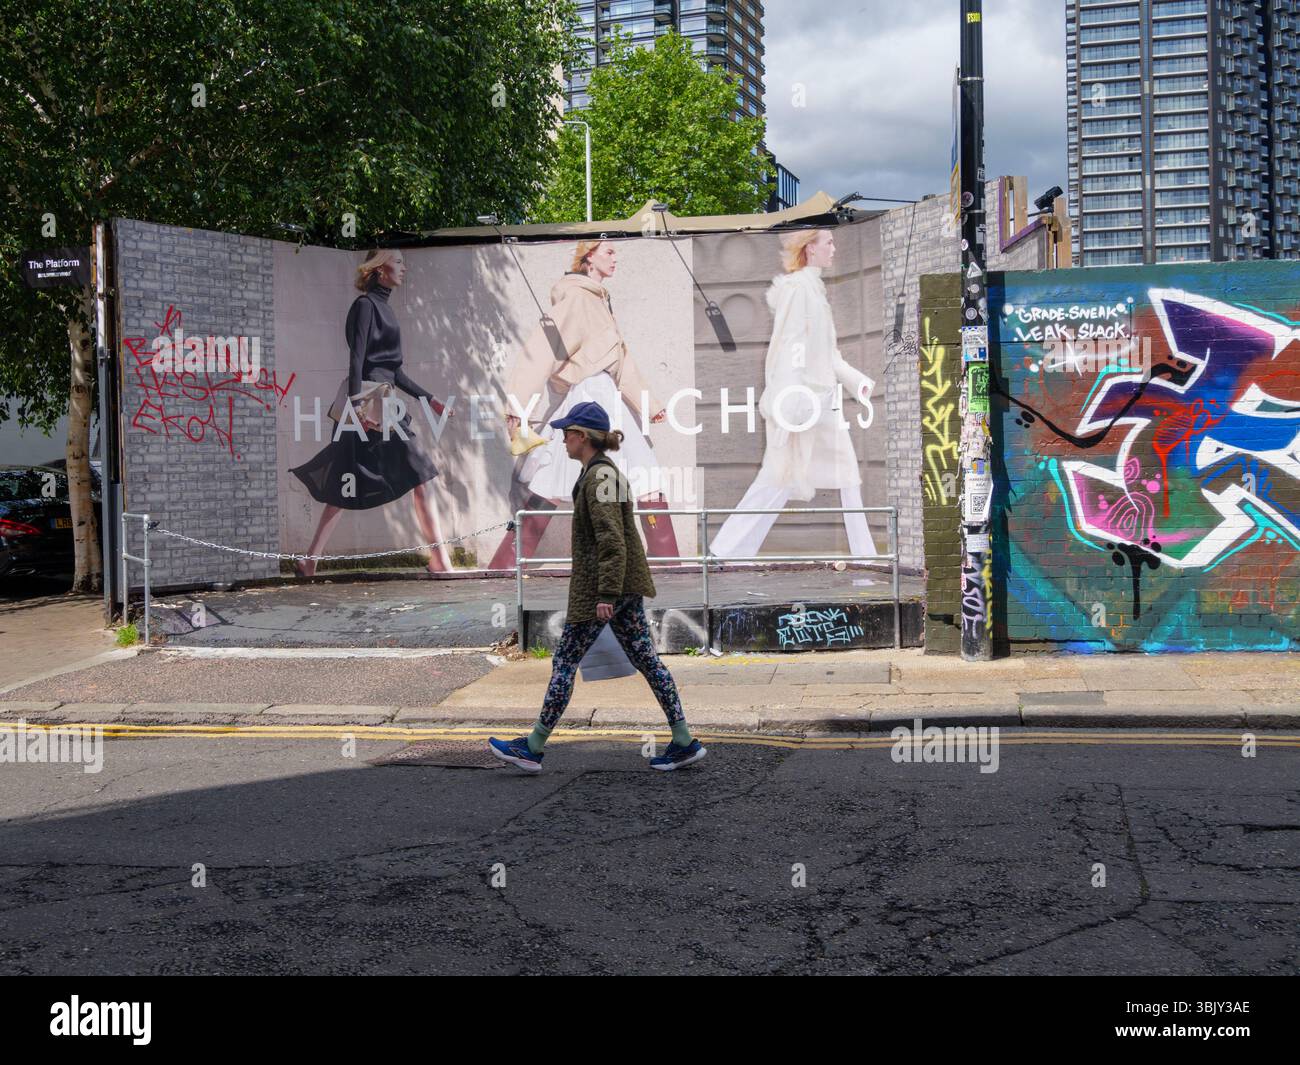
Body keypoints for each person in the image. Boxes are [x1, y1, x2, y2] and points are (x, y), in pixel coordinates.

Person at [489, 401, 706, 773]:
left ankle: (533, 747)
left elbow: (612, 540)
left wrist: (605, 594)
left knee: (565, 662)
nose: (562, 440)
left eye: (566, 433)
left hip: (603, 591)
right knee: (648, 662)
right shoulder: (598, 474)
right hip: (619, 588)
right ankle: (684, 740)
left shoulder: (601, 478)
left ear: (583, 436)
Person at [486, 239, 680, 571]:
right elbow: (540, 351)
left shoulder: (600, 302)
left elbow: (622, 363)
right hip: (589, 397)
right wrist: (518, 407)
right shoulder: (576, 298)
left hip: (605, 396)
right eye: (608, 251)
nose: (615, 258)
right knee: (622, 473)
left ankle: (505, 564)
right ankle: (504, 565)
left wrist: (648, 405)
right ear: (588, 257)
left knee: (631, 473)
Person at [708, 228, 879, 566]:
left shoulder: (814, 290)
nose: (834, 247)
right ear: (810, 248)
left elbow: (827, 354)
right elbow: (791, 346)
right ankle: (726, 550)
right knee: (778, 476)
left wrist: (857, 384)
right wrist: (793, 398)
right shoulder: (799, 290)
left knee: (844, 475)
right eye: (827, 242)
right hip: (803, 401)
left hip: (820, 401)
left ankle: (867, 554)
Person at [289, 249, 456, 578]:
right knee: (418, 472)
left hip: (386, 404)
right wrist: (355, 406)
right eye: (397, 262)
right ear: (379, 270)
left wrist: (430, 399)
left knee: (348, 477)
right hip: (370, 406)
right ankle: (441, 562)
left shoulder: (387, 310)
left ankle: (309, 561)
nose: (404, 268)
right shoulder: (364, 306)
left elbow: (395, 372)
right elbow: (357, 360)